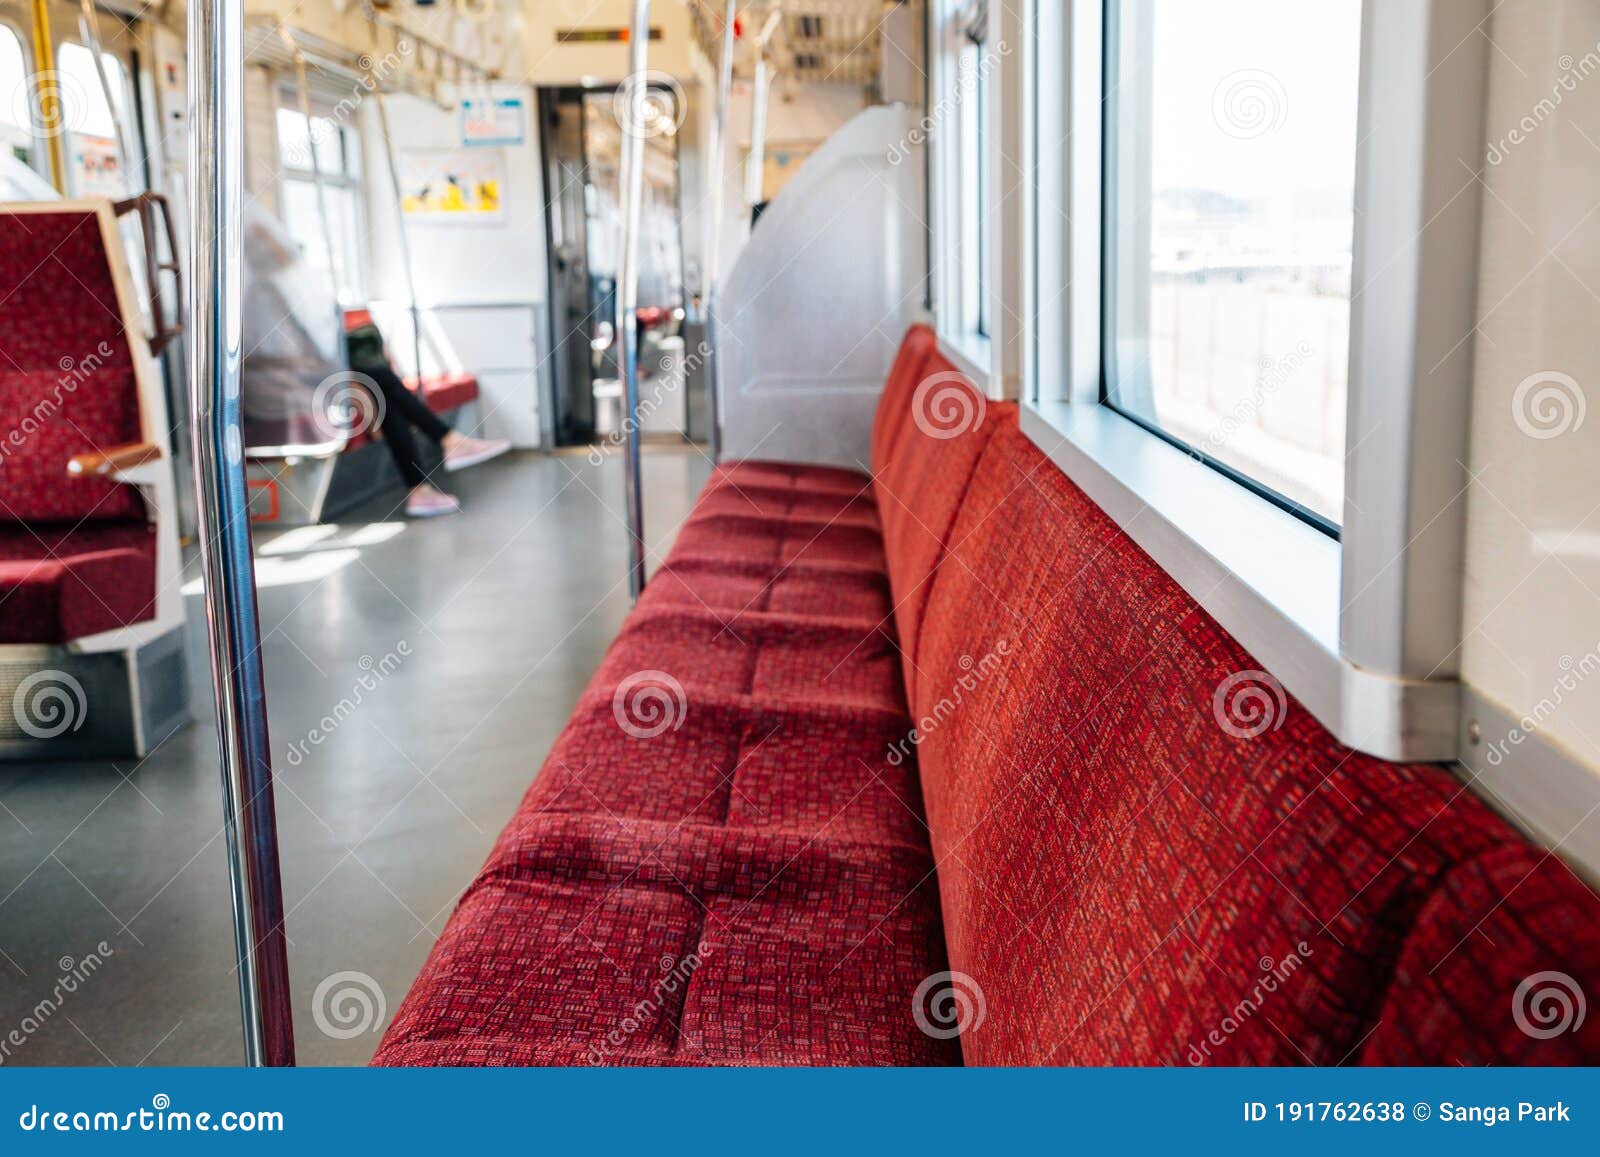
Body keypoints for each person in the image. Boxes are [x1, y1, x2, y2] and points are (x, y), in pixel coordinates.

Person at [345, 316, 509, 518]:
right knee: (386, 388)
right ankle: (447, 443)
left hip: (359, 369)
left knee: (388, 399)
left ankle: (421, 488)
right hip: (338, 374)